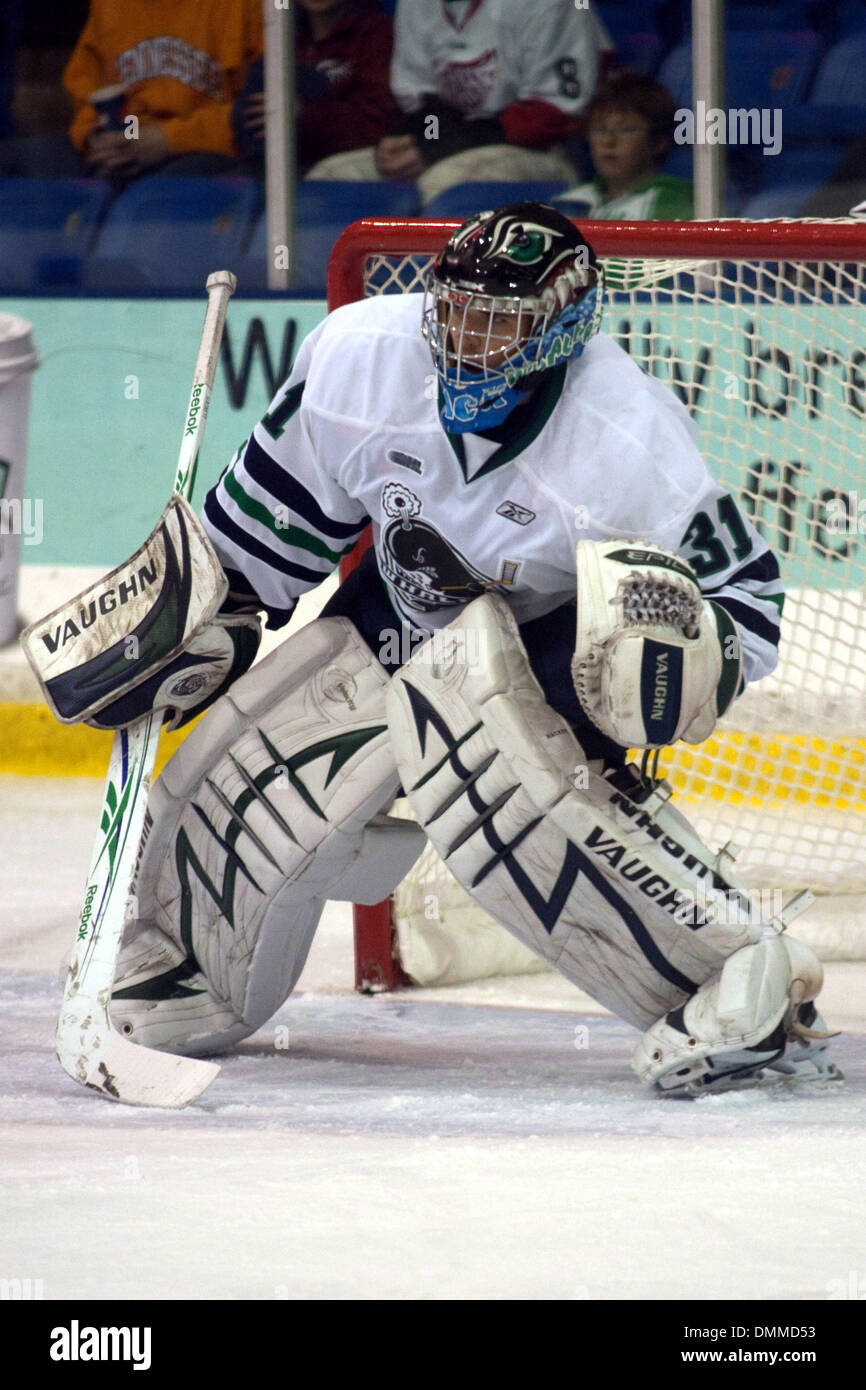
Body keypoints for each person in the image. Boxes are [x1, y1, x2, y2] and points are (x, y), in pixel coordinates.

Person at [104, 202, 837, 1096]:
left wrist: (658, 664)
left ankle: (737, 975)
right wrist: (206, 620)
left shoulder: (626, 443)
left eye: (499, 322)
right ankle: (190, 971)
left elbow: (745, 606)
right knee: (234, 782)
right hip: (389, 622)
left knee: (503, 805)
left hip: (533, 671)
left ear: (564, 327)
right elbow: (271, 523)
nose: (467, 339)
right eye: (455, 310)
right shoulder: (359, 359)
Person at [306, 0, 604, 204]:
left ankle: (440, 289)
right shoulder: (418, 5)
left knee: (443, 182)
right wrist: (421, 142)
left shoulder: (546, 6)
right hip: (453, 143)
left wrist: (443, 147)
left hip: (546, 152)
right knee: (330, 176)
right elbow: (425, 104)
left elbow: (554, 115)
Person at [6, 0, 264, 180]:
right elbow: (89, 92)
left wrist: (168, 139)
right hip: (131, 140)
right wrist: (98, 138)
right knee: (14, 160)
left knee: (163, 190)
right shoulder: (112, 4)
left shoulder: (245, 5)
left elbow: (255, 117)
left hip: (201, 148)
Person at [231, 0, 398, 177]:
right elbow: (248, 121)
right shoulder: (282, 31)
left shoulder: (377, 34)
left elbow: (380, 127)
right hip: (272, 170)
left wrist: (303, 112)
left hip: (344, 173)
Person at [556, 72, 693, 220]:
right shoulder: (572, 201)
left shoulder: (669, 203)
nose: (608, 141)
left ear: (658, 142)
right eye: (599, 130)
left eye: (625, 130)